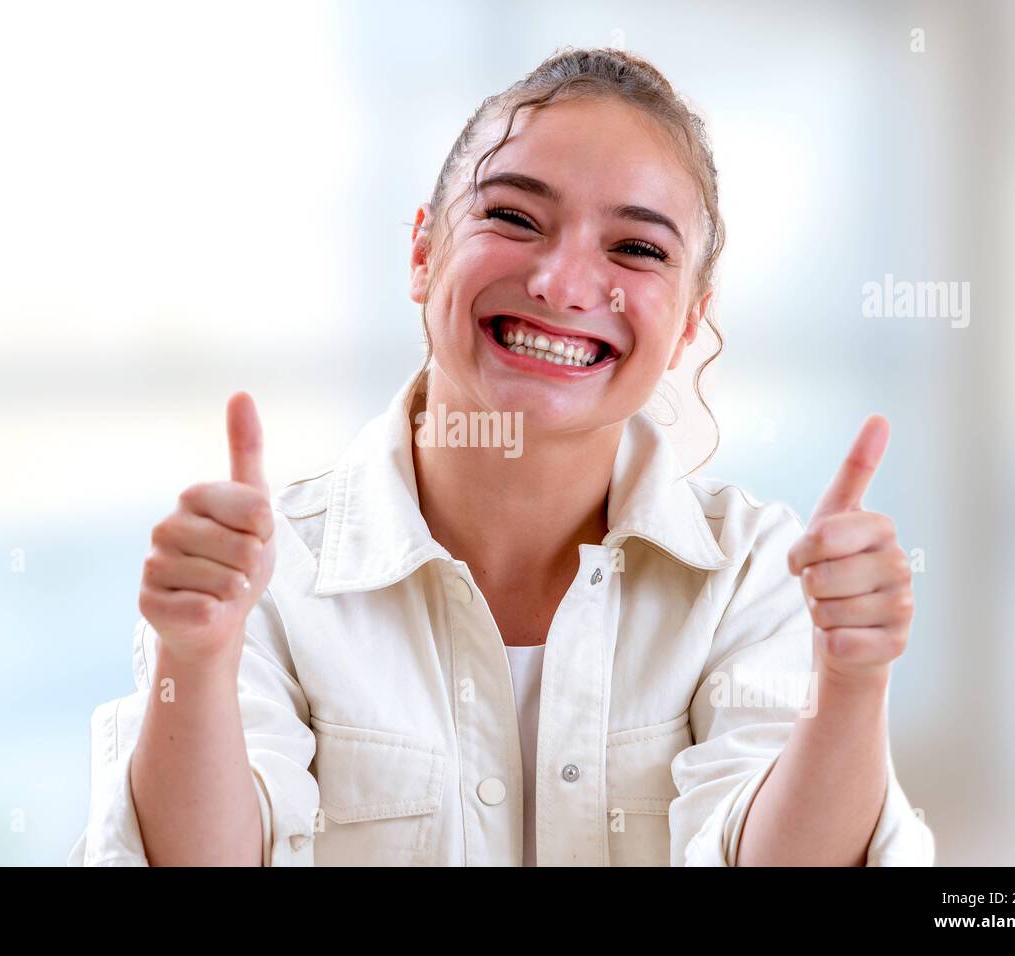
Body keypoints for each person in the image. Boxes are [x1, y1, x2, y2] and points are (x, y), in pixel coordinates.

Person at [69, 46, 935, 866]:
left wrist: (852, 685)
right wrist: (197, 659)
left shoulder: (754, 574)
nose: (561, 284)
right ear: (421, 252)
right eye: (514, 216)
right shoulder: (264, 573)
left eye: (636, 248)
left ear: (687, 324)